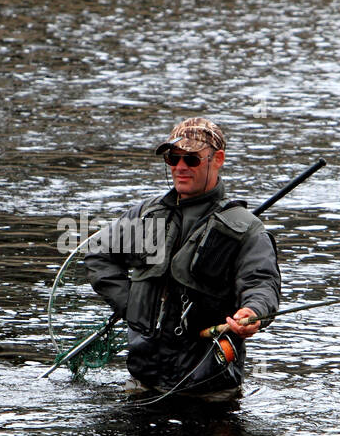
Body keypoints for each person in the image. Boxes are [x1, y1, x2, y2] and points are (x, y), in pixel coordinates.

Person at [84, 117, 281, 402]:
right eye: (172, 158)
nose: (180, 167)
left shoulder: (247, 230)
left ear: (218, 160)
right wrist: (133, 306)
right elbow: (98, 254)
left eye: (191, 159)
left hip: (210, 392)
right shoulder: (145, 215)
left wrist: (252, 312)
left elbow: (261, 284)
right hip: (144, 383)